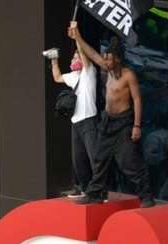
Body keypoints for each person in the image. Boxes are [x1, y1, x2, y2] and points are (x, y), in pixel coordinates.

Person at [68, 23, 154, 207]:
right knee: (99, 158)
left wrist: (136, 126)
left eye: (109, 58)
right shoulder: (107, 69)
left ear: (118, 58)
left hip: (124, 123)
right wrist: (77, 36)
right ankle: (96, 194)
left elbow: (137, 100)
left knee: (129, 163)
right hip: (107, 122)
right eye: (105, 58)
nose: (105, 62)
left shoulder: (128, 75)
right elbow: (91, 54)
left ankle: (146, 196)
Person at [49, 46, 98, 197]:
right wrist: (54, 60)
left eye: (76, 57)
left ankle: (99, 190)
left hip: (89, 120)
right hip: (76, 123)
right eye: (73, 57)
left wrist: (77, 40)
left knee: (94, 157)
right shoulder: (73, 76)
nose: (73, 60)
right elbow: (57, 77)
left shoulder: (89, 72)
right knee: (78, 159)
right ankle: (85, 189)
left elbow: (84, 54)